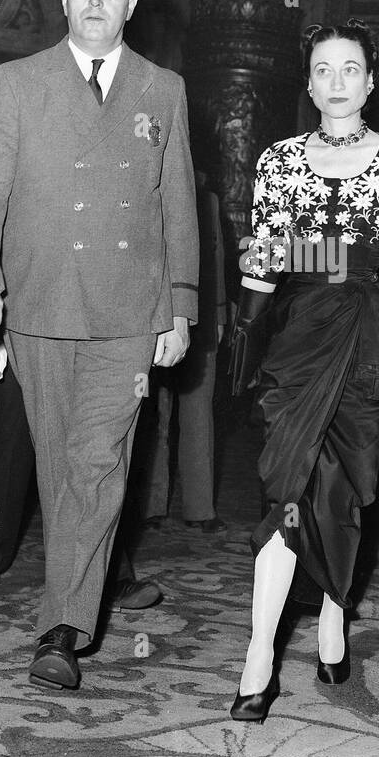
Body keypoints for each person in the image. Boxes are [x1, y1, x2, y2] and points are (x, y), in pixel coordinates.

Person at [0, 0, 198, 692]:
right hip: (40, 302)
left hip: (129, 311)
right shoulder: (17, 82)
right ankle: (74, 593)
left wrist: (181, 306)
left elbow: (178, 206)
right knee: (64, 462)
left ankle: (62, 626)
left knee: (97, 463)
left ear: (132, 3)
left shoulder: (163, 88)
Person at [228, 18, 379, 723]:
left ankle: (331, 607)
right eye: (324, 69)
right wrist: (240, 331)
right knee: (284, 483)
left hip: (370, 339)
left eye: (351, 68)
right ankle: (259, 656)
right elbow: (265, 261)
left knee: (347, 491)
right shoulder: (279, 159)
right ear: (310, 81)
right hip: (298, 338)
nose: (338, 81)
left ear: (371, 80)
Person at [0, 337, 163, 609]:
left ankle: (114, 573)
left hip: (87, 333)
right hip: (22, 332)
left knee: (96, 457)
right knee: (8, 453)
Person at [135, 168, 227, 531]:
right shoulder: (145, 190)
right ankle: (151, 505)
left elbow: (216, 259)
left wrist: (219, 313)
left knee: (198, 413)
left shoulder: (208, 201)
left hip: (200, 320)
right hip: (151, 318)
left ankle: (200, 508)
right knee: (152, 412)